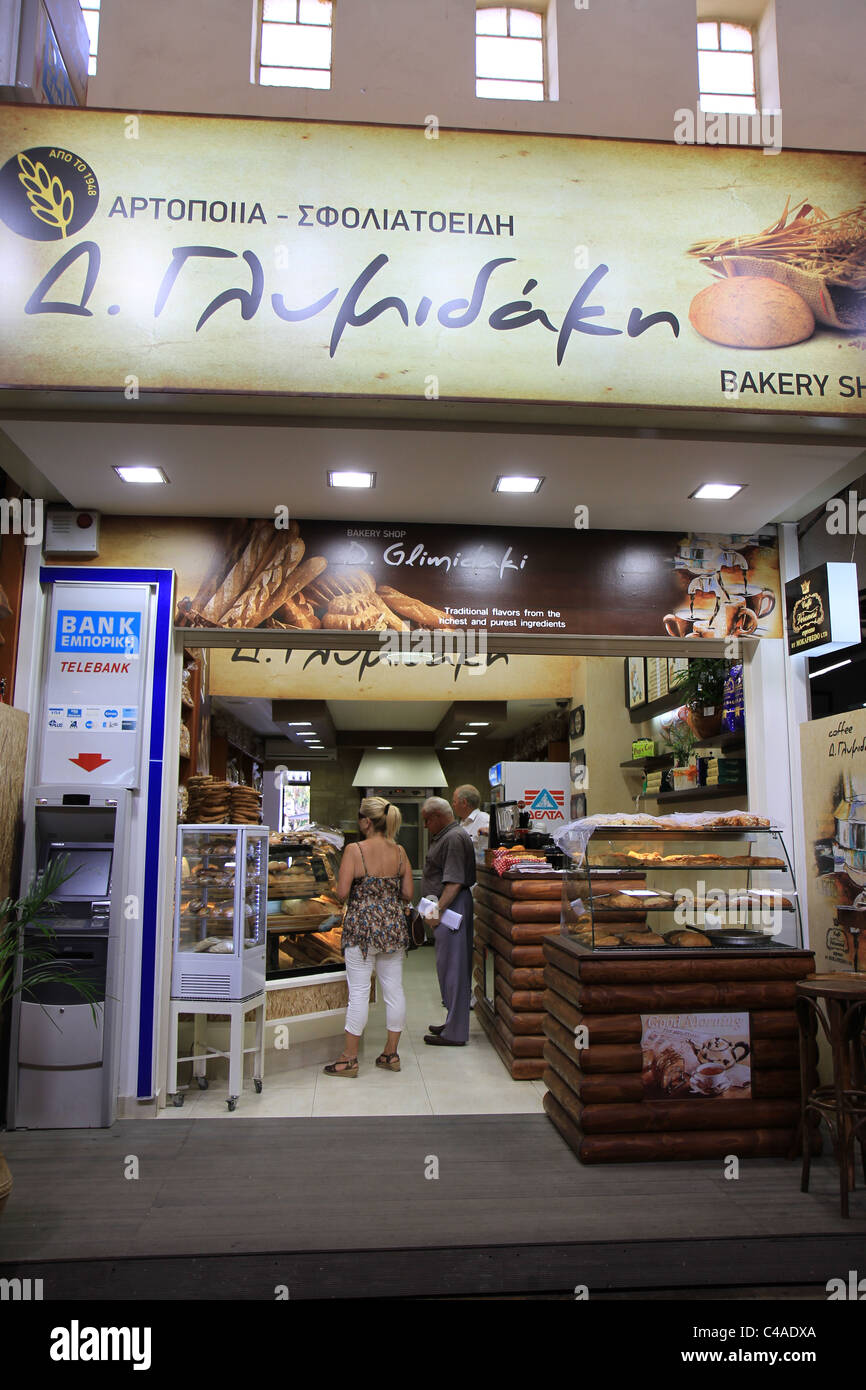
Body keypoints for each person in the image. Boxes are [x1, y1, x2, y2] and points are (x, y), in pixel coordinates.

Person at [323, 796, 414, 1077]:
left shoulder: (354, 850)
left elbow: (341, 892)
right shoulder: (399, 852)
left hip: (361, 929)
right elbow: (408, 894)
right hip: (392, 929)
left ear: (365, 821)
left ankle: (349, 1059)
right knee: (394, 990)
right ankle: (391, 1054)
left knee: (359, 993)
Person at [420, 796, 476, 1047]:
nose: (424, 826)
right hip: (447, 906)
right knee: (448, 969)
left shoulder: (453, 838)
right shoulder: (449, 835)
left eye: (426, 821)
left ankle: (455, 1032)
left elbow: (453, 882)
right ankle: (453, 1022)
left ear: (437, 817)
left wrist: (436, 912)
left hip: (452, 908)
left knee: (454, 970)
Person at [451, 785, 489, 1009]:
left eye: (455, 800)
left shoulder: (484, 821)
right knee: (466, 941)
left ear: (465, 803)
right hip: (466, 888)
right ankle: (468, 991)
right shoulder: (460, 824)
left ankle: (477, 992)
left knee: (476, 940)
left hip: (480, 890)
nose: (453, 804)